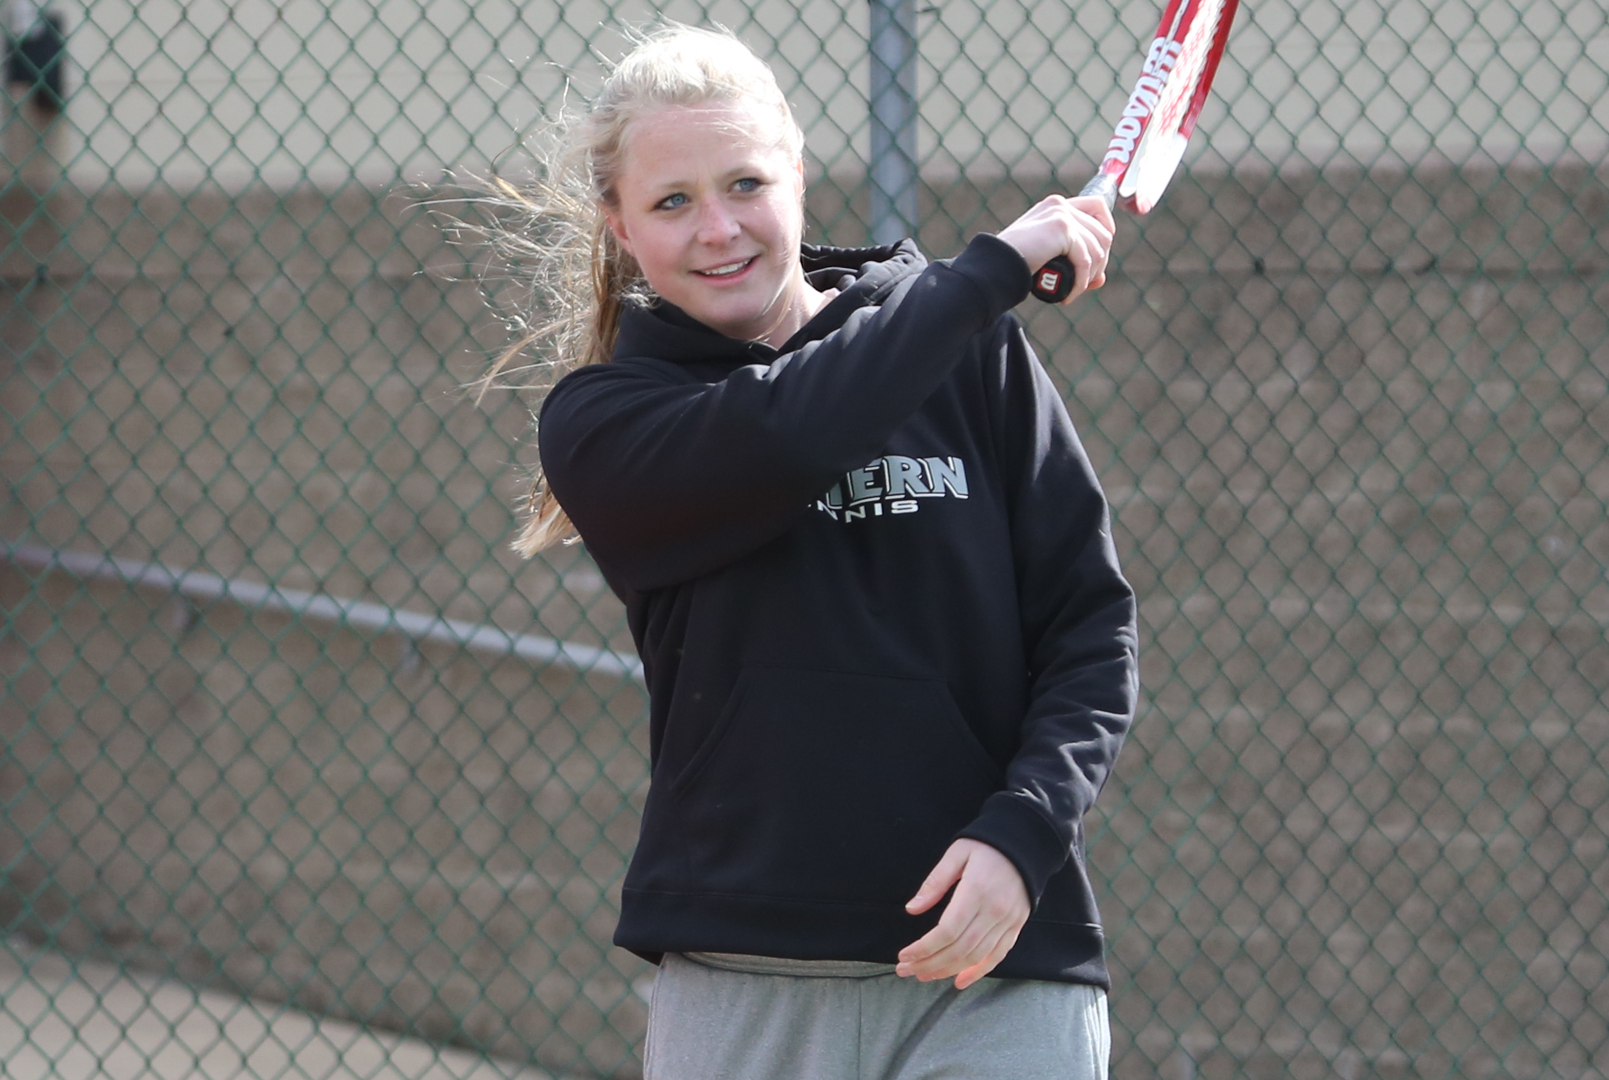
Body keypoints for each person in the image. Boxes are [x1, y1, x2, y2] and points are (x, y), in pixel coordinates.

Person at [482, 23, 1137, 1080]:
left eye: (745, 182)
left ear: (796, 168)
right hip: (746, 977)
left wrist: (1026, 835)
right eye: (671, 202)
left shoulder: (971, 359)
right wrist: (989, 273)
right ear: (619, 226)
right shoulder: (603, 421)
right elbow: (787, 430)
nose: (719, 229)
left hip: (1000, 974)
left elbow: (1091, 624)